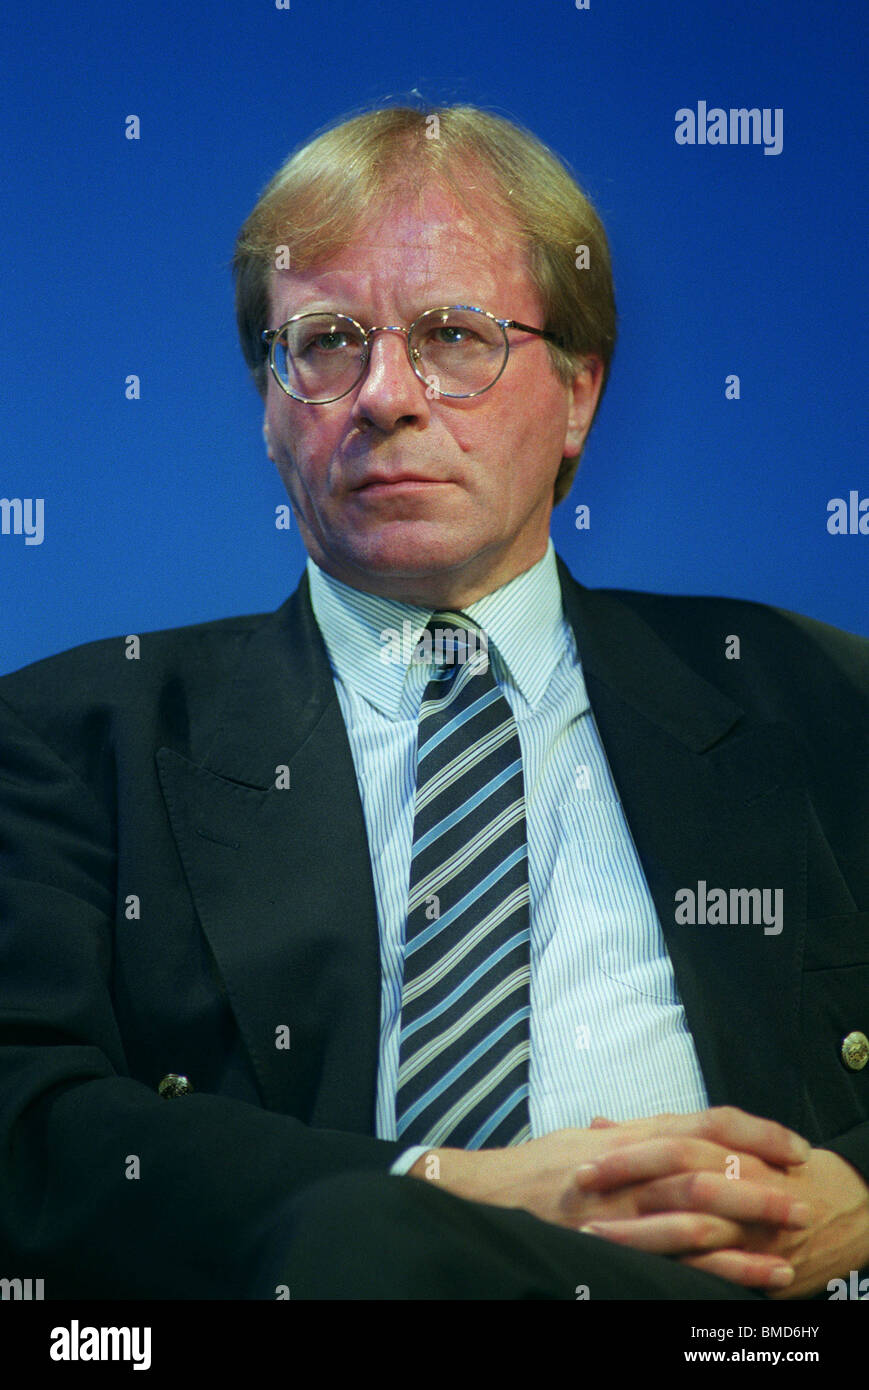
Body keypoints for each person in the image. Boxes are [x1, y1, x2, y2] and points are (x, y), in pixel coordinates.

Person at [0, 104, 867, 1301]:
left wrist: (859, 1210)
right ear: (266, 406)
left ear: (576, 393)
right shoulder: (71, 738)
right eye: (324, 342)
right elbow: (26, 1126)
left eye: (455, 336)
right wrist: (443, 1188)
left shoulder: (823, 703)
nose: (385, 397)